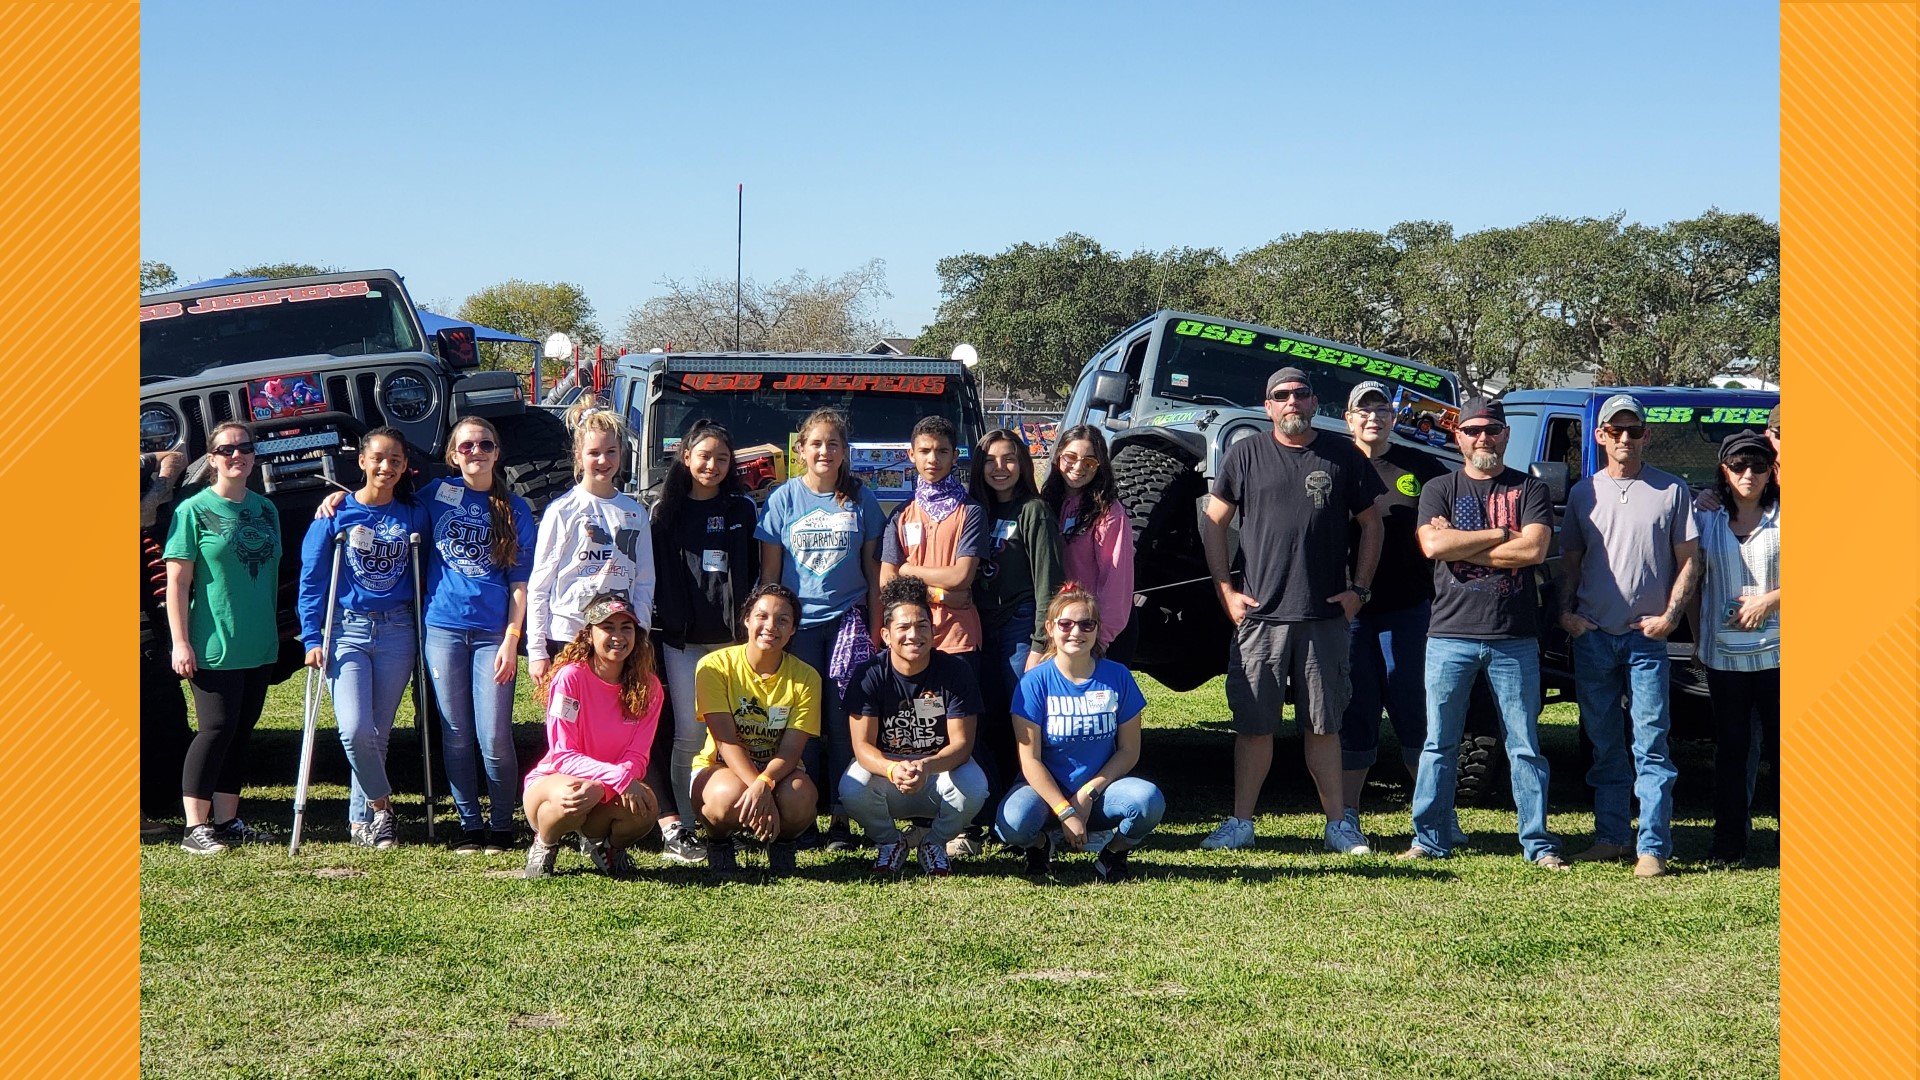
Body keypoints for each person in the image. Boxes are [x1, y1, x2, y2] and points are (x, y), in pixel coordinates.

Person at [1199, 367, 1384, 855]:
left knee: (1323, 726)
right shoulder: (1246, 454)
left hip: (1324, 617)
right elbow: (1214, 521)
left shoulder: (1342, 454)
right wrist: (1226, 590)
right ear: (1268, 406)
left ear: (1313, 402)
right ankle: (1241, 823)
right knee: (1255, 726)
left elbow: (1373, 525)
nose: (1292, 402)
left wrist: (1358, 590)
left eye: (1300, 394)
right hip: (1260, 617)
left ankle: (1339, 825)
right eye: (1281, 396)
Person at [1397, 398, 1567, 869]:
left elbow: (1533, 551)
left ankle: (1537, 843)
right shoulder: (1439, 488)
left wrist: (1465, 543)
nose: (1482, 438)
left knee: (1525, 744)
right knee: (1439, 743)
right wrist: (1500, 535)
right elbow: (1432, 544)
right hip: (1449, 635)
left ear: (1506, 434)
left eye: (1491, 430)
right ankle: (1429, 839)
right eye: (1472, 431)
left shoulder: (1530, 487)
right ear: (1459, 437)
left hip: (1514, 637)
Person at [1557, 393, 1701, 878]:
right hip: (1593, 635)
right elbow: (1570, 563)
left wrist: (1670, 617)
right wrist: (1566, 614)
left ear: (1646, 435)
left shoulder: (1671, 490)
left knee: (1652, 744)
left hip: (1646, 639)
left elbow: (1690, 562)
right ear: (1599, 436)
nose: (1624, 438)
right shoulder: (1583, 494)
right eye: (1614, 430)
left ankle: (1653, 848)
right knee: (1603, 742)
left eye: (1633, 430)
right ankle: (1612, 837)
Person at [757, 408, 886, 851]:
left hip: (848, 625)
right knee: (803, 724)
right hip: (799, 629)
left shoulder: (862, 500)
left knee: (844, 722)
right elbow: (770, 580)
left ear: (845, 452)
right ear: (801, 450)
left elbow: (874, 574)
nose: (825, 451)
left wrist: (875, 629)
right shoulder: (782, 500)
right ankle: (803, 816)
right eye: (816, 443)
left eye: (834, 444)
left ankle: (843, 818)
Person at [297, 427, 429, 849]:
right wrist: (311, 637)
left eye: (395, 460)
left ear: (406, 466)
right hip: (347, 629)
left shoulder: (413, 513)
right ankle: (383, 808)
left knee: (378, 731)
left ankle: (360, 824)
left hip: (397, 630)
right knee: (355, 729)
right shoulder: (334, 515)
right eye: (378, 458)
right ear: (362, 461)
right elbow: (313, 581)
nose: (386, 467)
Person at [1335, 382, 1448, 847]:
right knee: (1354, 708)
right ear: (1348, 418)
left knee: (1415, 710)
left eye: (1381, 409)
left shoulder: (1420, 466)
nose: (1373, 417)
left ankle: (1435, 817)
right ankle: (1345, 818)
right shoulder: (1333, 463)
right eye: (1364, 410)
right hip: (1349, 613)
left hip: (1409, 610)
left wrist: (1446, 521)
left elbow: (1452, 508)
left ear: (1394, 416)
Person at [164, 422, 282, 854]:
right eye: (226, 449)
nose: (237, 456)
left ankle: (229, 819)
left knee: (240, 730)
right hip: (213, 643)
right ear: (211, 458)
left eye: (245, 448)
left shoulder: (265, 510)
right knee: (215, 728)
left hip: (258, 642)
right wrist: (180, 642)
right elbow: (177, 584)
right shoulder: (191, 511)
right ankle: (195, 828)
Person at [421, 417, 538, 854]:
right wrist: (339, 500)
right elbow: (382, 505)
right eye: (466, 446)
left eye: (484, 444)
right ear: (453, 454)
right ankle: (470, 824)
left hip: (493, 635)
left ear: (496, 452)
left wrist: (512, 638)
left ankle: (503, 825)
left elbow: (520, 583)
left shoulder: (515, 507)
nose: (476, 451)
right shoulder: (433, 496)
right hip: (444, 630)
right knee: (455, 733)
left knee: (494, 735)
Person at [996, 584, 1165, 883]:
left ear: (1098, 629)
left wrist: (1087, 795)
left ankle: (1113, 855)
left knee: (1148, 800)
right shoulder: (1033, 683)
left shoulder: (1118, 677)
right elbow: (1030, 760)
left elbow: (1129, 750)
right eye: (1066, 624)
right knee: (1013, 822)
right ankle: (1039, 847)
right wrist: (1064, 811)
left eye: (1087, 624)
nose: (1076, 632)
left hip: (1099, 795)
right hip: (1044, 795)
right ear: (1050, 628)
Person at [651, 418, 759, 864]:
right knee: (690, 737)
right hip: (683, 642)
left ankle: (731, 816)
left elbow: (755, 571)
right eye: (703, 456)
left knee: (737, 733)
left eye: (720, 458)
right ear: (686, 458)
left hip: (734, 643)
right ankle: (689, 828)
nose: (711, 465)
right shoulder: (663, 511)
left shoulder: (742, 509)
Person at [840, 577, 989, 877]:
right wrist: (894, 769)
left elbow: (961, 745)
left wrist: (925, 766)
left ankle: (934, 843)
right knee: (851, 787)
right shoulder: (869, 674)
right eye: (903, 628)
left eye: (922, 625)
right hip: (889, 774)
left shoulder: (955, 671)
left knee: (975, 785)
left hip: (936, 770)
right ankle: (890, 842)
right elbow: (862, 747)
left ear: (933, 631)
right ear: (885, 634)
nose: (914, 635)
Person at [964, 427, 1065, 849]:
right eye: (990, 460)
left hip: (1022, 625)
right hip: (979, 625)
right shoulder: (976, 509)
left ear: (1023, 464)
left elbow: (1049, 581)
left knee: (1023, 721)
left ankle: (1027, 816)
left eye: (1009, 459)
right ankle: (987, 811)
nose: (999, 468)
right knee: (982, 720)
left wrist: (1042, 644)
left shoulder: (1034, 510)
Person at [522, 593, 663, 879]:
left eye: (626, 628)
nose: (618, 636)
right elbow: (563, 754)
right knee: (573, 795)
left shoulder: (650, 687)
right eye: (607, 627)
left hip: (606, 787)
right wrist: (616, 780)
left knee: (647, 807)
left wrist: (609, 783)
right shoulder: (570, 677)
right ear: (589, 634)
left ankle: (605, 848)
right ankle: (545, 844)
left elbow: (638, 756)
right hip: (556, 781)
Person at [691, 584, 823, 878]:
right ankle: (719, 843)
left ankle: (783, 844)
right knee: (725, 798)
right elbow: (726, 741)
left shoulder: (806, 677)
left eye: (783, 620)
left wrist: (765, 782)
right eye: (761, 616)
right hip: (722, 767)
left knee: (801, 796)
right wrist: (758, 788)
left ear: (793, 631)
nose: (770, 626)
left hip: (778, 772)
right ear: (746, 620)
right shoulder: (714, 666)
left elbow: (791, 750)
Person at [1694, 431, 1780, 865]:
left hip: (1781, 657)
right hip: (1723, 659)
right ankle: (1728, 846)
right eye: (1740, 466)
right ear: (1724, 470)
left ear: (1771, 471)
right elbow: (1692, 582)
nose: (1749, 474)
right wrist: (1695, 639)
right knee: (1730, 753)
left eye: (1759, 466)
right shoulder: (1704, 518)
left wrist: (1771, 599)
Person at [527, 399, 655, 679]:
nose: (603, 461)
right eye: (594, 453)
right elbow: (540, 584)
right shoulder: (562, 510)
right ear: (578, 456)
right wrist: (537, 649)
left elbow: (645, 581)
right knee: (569, 716)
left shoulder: (634, 512)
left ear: (621, 453)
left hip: (618, 639)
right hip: (569, 635)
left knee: (612, 716)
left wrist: (641, 633)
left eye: (611, 452)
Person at [1039, 426, 1134, 661]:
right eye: (1071, 457)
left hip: (1095, 635)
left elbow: (1116, 579)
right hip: (1060, 630)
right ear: (1058, 456)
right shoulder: (1047, 502)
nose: (1078, 467)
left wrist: (1098, 639)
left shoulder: (1109, 511)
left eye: (1089, 462)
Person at [141, 449, 191, 840]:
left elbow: (173, 455)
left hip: (148, 627)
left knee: (166, 714)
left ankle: (160, 796)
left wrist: (158, 486)